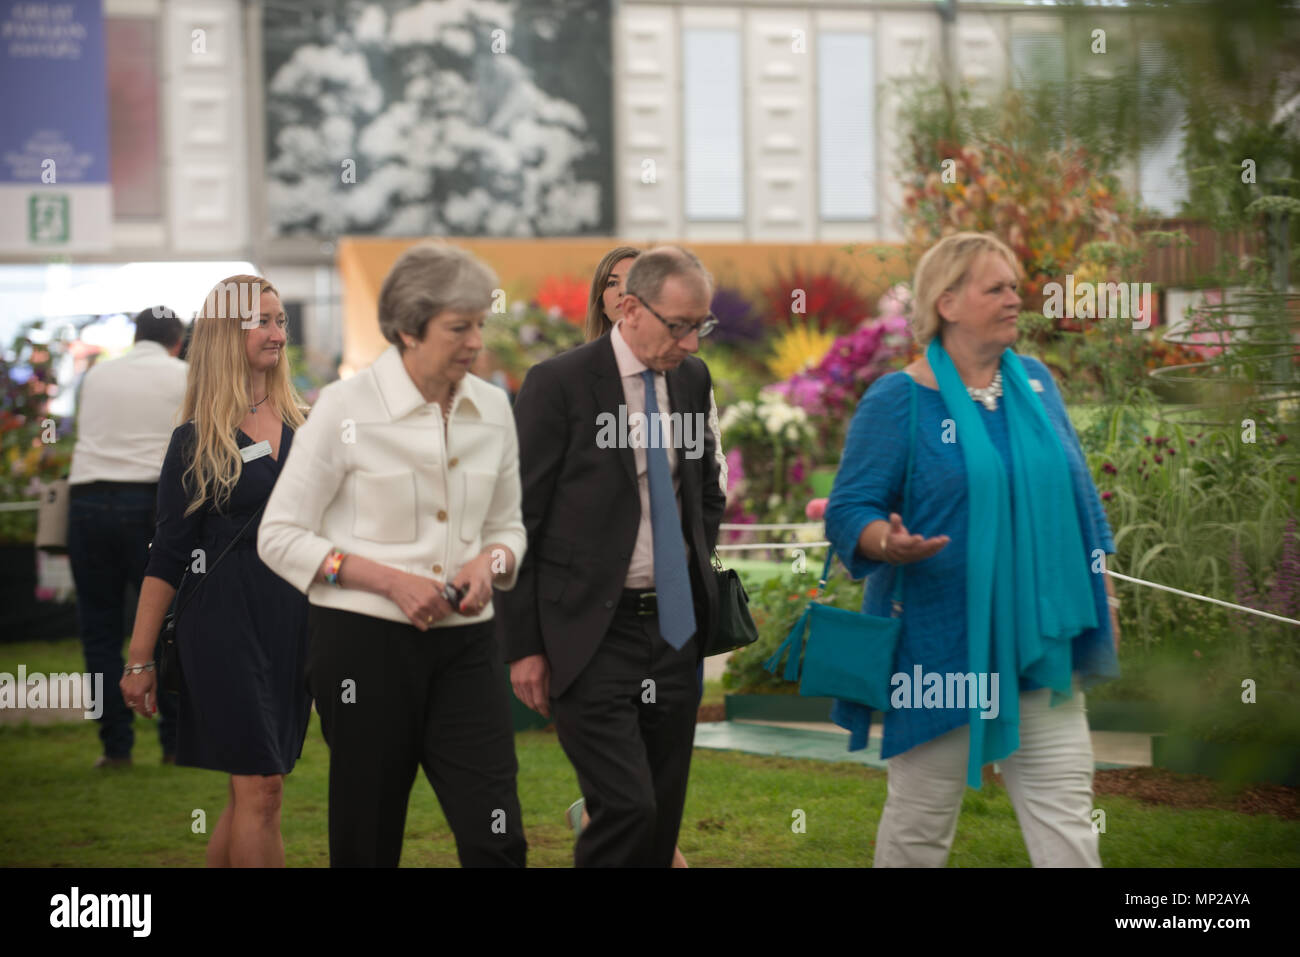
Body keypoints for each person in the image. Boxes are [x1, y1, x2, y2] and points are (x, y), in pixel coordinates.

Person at [823, 232, 1121, 868]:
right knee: (918, 832)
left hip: (1043, 645)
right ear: (948, 302)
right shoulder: (898, 400)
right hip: (939, 647)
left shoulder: (1036, 384)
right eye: (999, 288)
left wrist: (1106, 592)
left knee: (1069, 822)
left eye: (1015, 285)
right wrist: (887, 542)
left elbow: (1080, 499)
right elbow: (850, 510)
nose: (1017, 298)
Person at [258, 242, 528, 868]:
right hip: (362, 650)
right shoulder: (342, 409)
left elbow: (509, 528)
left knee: (498, 836)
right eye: (459, 328)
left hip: (469, 650)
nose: (475, 343)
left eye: (480, 325)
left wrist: (487, 564)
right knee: (368, 836)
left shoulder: (494, 407)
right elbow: (278, 535)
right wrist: (386, 581)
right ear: (408, 329)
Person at [503, 245, 725, 867]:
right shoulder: (560, 384)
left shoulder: (692, 379)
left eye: (699, 326)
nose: (690, 341)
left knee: (660, 817)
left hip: (676, 627)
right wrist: (523, 645)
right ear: (629, 309)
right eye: (678, 324)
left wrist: (692, 563)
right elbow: (519, 518)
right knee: (627, 807)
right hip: (591, 632)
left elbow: (704, 488)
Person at [120, 275, 313, 867]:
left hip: (293, 625)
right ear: (227, 334)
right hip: (223, 625)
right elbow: (167, 556)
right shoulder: (195, 441)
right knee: (262, 787)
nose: (277, 332)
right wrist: (140, 658)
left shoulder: (307, 427)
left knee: (255, 790)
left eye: (281, 320)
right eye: (262, 321)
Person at [67, 306, 186, 768]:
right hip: (152, 508)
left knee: (98, 632)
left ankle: (115, 748)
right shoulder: (183, 374)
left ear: (135, 336)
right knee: (168, 627)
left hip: (88, 503)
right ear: (176, 341)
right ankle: (175, 742)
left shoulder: (97, 376)